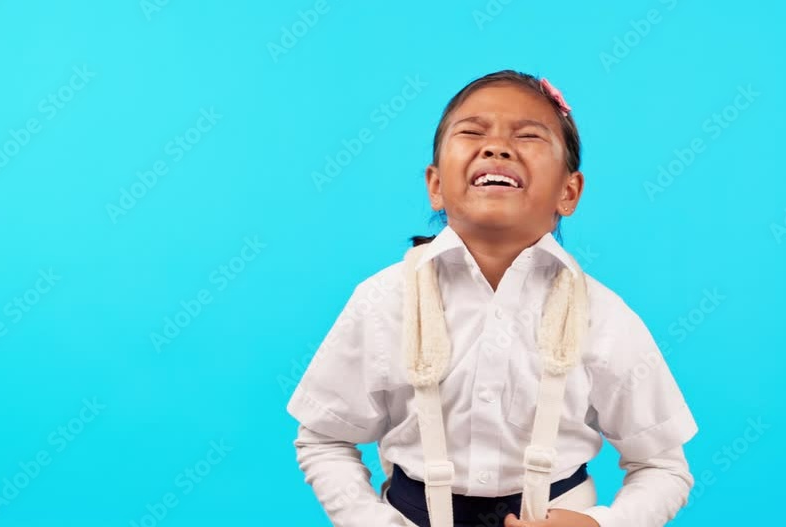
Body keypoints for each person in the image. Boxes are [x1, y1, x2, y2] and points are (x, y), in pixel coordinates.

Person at [288, 70, 698, 527]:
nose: (497, 147)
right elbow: (323, 439)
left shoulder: (603, 317)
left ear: (569, 192)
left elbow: (663, 466)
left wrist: (601, 525)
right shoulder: (384, 301)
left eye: (528, 135)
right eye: (472, 132)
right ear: (436, 185)